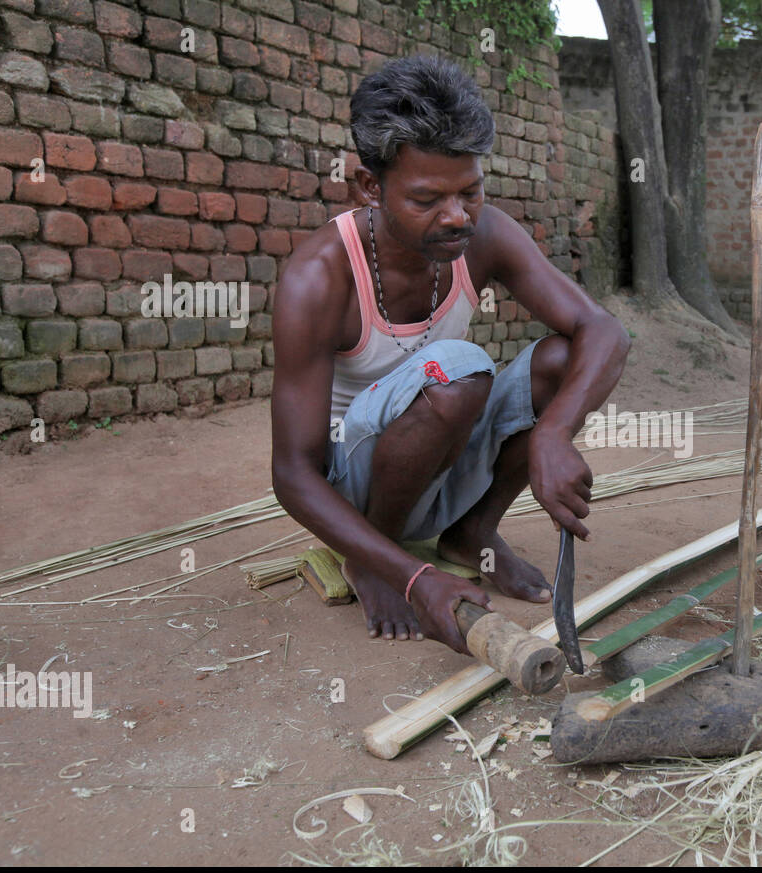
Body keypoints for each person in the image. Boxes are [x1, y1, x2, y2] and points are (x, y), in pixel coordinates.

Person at [270, 55, 630, 650]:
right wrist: (411, 577)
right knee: (461, 370)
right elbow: (292, 474)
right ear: (369, 187)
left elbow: (605, 331)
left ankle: (471, 533)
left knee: (565, 363)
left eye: (471, 191)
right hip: (353, 484)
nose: (457, 215)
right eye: (428, 199)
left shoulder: (483, 235)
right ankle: (375, 556)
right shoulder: (319, 278)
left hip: (437, 460)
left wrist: (554, 433)